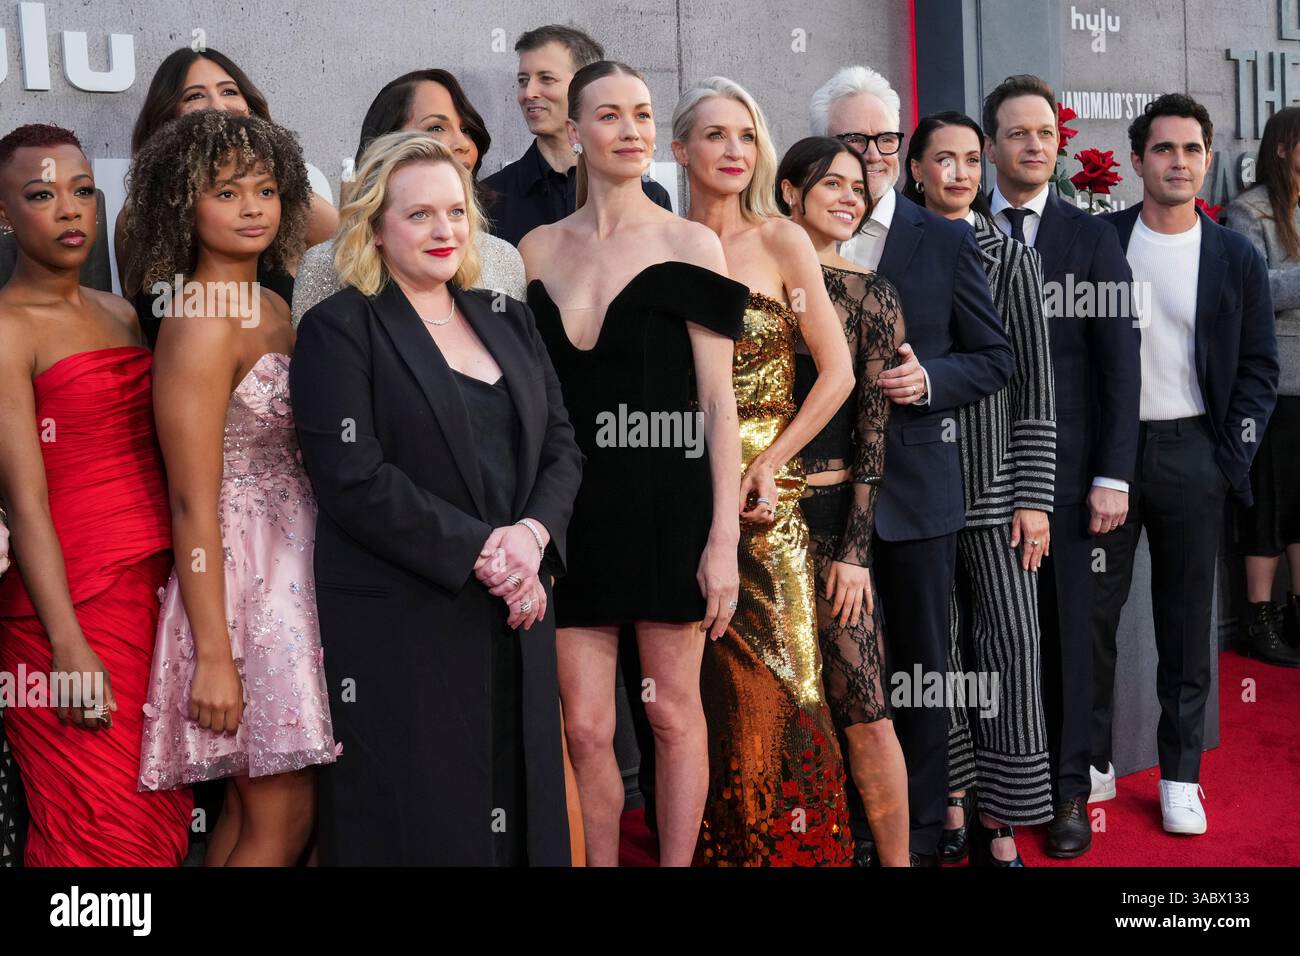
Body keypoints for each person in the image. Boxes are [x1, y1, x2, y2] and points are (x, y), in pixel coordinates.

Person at [291, 131, 583, 865]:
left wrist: (532, 538)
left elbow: (562, 445)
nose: (443, 230)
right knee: (426, 824)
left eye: (455, 212)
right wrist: (485, 551)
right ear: (375, 228)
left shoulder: (508, 316)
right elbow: (352, 475)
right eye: (418, 215)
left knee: (523, 816)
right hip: (408, 621)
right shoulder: (339, 328)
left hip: (518, 610)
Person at [520, 60, 746, 867]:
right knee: (585, 728)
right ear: (575, 131)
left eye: (644, 114)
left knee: (671, 714)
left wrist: (723, 540)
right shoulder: (535, 250)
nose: (631, 130)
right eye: (610, 115)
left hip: (668, 510)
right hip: (569, 515)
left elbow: (719, 405)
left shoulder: (692, 243)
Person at [810, 65, 1014, 865]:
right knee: (840, 670)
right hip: (820, 497)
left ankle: (924, 832)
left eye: (886, 137)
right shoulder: (797, 237)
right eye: (853, 138)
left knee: (924, 668)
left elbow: (994, 356)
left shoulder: (948, 238)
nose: (872, 153)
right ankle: (852, 826)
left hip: (917, 493)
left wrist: (930, 380)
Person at [125, 110, 337, 866]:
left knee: (255, 815)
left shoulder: (276, 304)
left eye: (266, 190)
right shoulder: (197, 322)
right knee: (285, 817)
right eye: (226, 191)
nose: (253, 207)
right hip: (244, 587)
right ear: (183, 206)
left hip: (296, 567)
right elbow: (189, 501)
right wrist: (214, 652)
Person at [672, 80, 855, 866]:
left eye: (746, 136)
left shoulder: (781, 240)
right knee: (697, 699)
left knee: (787, 687)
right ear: (680, 148)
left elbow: (839, 372)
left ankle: (796, 853)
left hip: (765, 507)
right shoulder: (663, 238)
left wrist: (773, 462)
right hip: (681, 493)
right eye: (716, 135)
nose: (734, 151)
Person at [0, 123, 192, 865]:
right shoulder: (7, 328)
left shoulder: (121, 314)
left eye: (82, 191)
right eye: (41, 195)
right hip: (65, 607)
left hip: (153, 593)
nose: (70, 210)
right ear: (4, 214)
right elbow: (24, 502)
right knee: (94, 826)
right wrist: (67, 646)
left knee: (155, 819)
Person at [1097, 94, 1279, 835]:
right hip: (1108, 462)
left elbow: (1259, 368)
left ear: (1206, 160)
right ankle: (1092, 761)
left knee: (1183, 624)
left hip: (1194, 454)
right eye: (1164, 148)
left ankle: (1179, 777)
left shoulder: (1235, 255)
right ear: (1137, 160)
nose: (1178, 161)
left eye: (1192, 149)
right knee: (1092, 616)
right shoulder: (1102, 242)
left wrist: (1229, 455)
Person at [982, 72, 1140, 857]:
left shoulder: (1092, 237)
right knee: (991, 636)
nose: (1034, 145)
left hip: (1073, 482)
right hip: (977, 473)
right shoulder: (953, 227)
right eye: (1018, 133)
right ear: (990, 146)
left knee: (1070, 633)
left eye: (1045, 133)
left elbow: (1120, 365)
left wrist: (1113, 475)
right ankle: (991, 791)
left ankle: (1070, 789)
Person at [904, 112, 1057, 865]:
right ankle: (954, 800)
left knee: (1012, 645)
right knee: (942, 651)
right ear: (917, 169)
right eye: (944, 159)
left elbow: (1034, 386)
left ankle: (1004, 816)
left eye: (971, 158)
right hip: (919, 485)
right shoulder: (895, 248)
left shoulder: (1012, 257)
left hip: (998, 488)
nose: (961, 173)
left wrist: (1034, 496)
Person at [778, 135, 910, 866]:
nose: (849, 198)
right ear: (789, 191)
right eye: (832, 183)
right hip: (755, 522)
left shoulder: (872, 295)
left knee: (864, 707)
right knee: (772, 709)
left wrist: (856, 552)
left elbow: (872, 436)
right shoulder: (750, 279)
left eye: (858, 188)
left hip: (832, 525)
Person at [118, 47, 338, 345]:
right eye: (195, 95)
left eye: (229, 91)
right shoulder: (136, 220)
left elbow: (363, 267)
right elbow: (140, 333)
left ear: (249, 107)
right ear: (166, 118)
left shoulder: (294, 205)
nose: (218, 105)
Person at [292, 68, 526, 326]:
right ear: (385, 140)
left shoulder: (503, 259)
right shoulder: (327, 265)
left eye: (467, 129)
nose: (462, 143)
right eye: (436, 127)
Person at [1221, 106, 1300, 666]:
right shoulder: (1248, 212)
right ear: (1281, 147)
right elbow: (1252, 290)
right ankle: (1258, 617)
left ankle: (1296, 610)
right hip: (1275, 385)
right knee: (1268, 505)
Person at [483, 25, 674, 246]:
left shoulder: (652, 196)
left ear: (585, 85)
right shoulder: (490, 197)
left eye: (546, 79)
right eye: (523, 81)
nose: (529, 93)